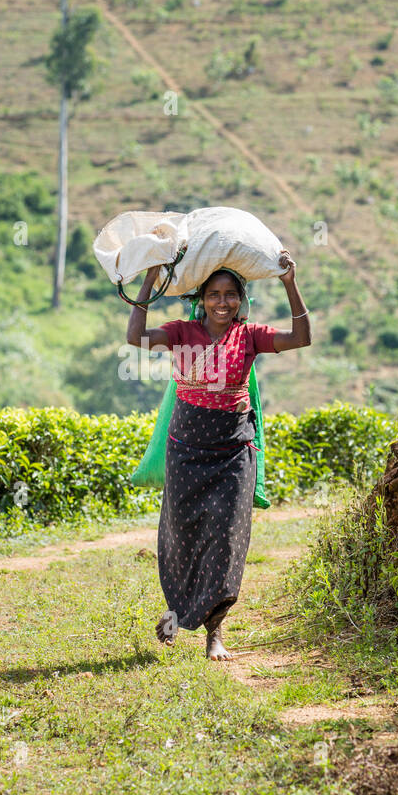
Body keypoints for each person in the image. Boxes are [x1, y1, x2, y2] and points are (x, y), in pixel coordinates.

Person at [126, 252, 310, 660]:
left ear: (241, 300)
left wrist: (289, 283)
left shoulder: (250, 336)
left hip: (232, 451)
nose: (222, 303)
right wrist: (151, 279)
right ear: (202, 299)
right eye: (214, 295)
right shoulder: (181, 332)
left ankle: (215, 633)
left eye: (230, 295)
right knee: (182, 535)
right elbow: (135, 337)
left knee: (226, 538)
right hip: (186, 449)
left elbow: (301, 338)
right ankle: (175, 613)